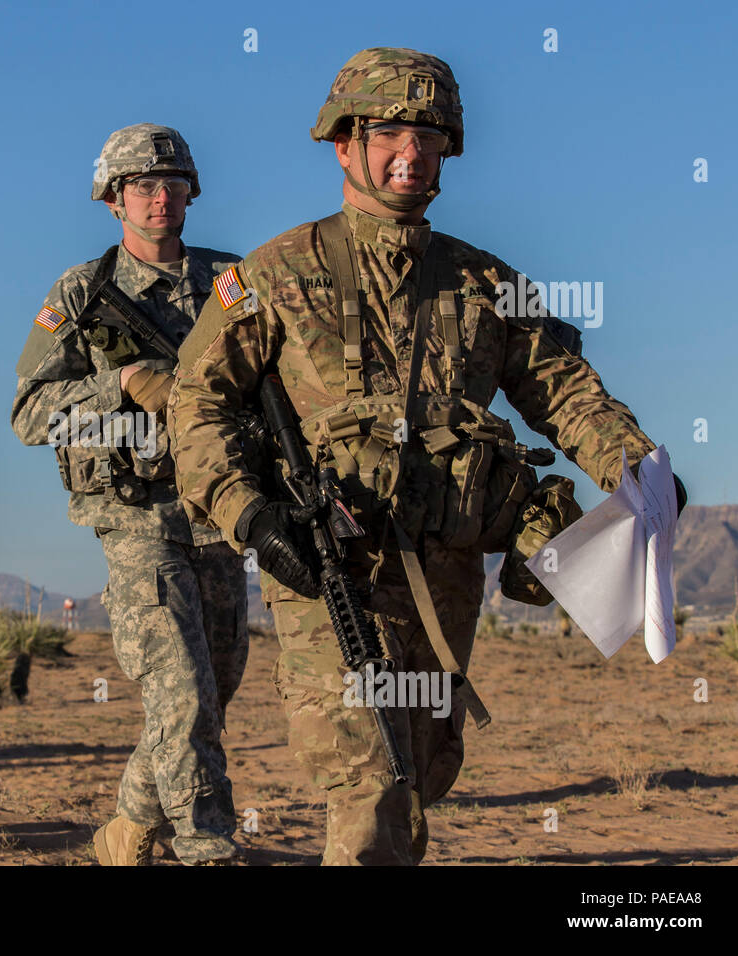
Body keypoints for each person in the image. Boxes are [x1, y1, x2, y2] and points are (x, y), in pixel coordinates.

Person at [168, 48, 686, 865]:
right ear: (344, 144)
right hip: (326, 561)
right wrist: (250, 513)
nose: (411, 152)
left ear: (450, 150)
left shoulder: (484, 279)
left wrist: (639, 469)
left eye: (431, 136)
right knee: (367, 776)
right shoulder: (276, 272)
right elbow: (196, 402)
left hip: (444, 572)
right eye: (388, 133)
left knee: (420, 770)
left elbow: (561, 386)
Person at [11, 124, 249, 865]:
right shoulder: (82, 294)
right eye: (142, 187)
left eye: (172, 186)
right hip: (137, 517)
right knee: (180, 692)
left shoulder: (232, 280)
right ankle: (207, 844)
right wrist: (117, 384)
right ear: (113, 200)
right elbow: (28, 415)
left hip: (223, 511)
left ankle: (128, 824)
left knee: (213, 691)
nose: (159, 200)